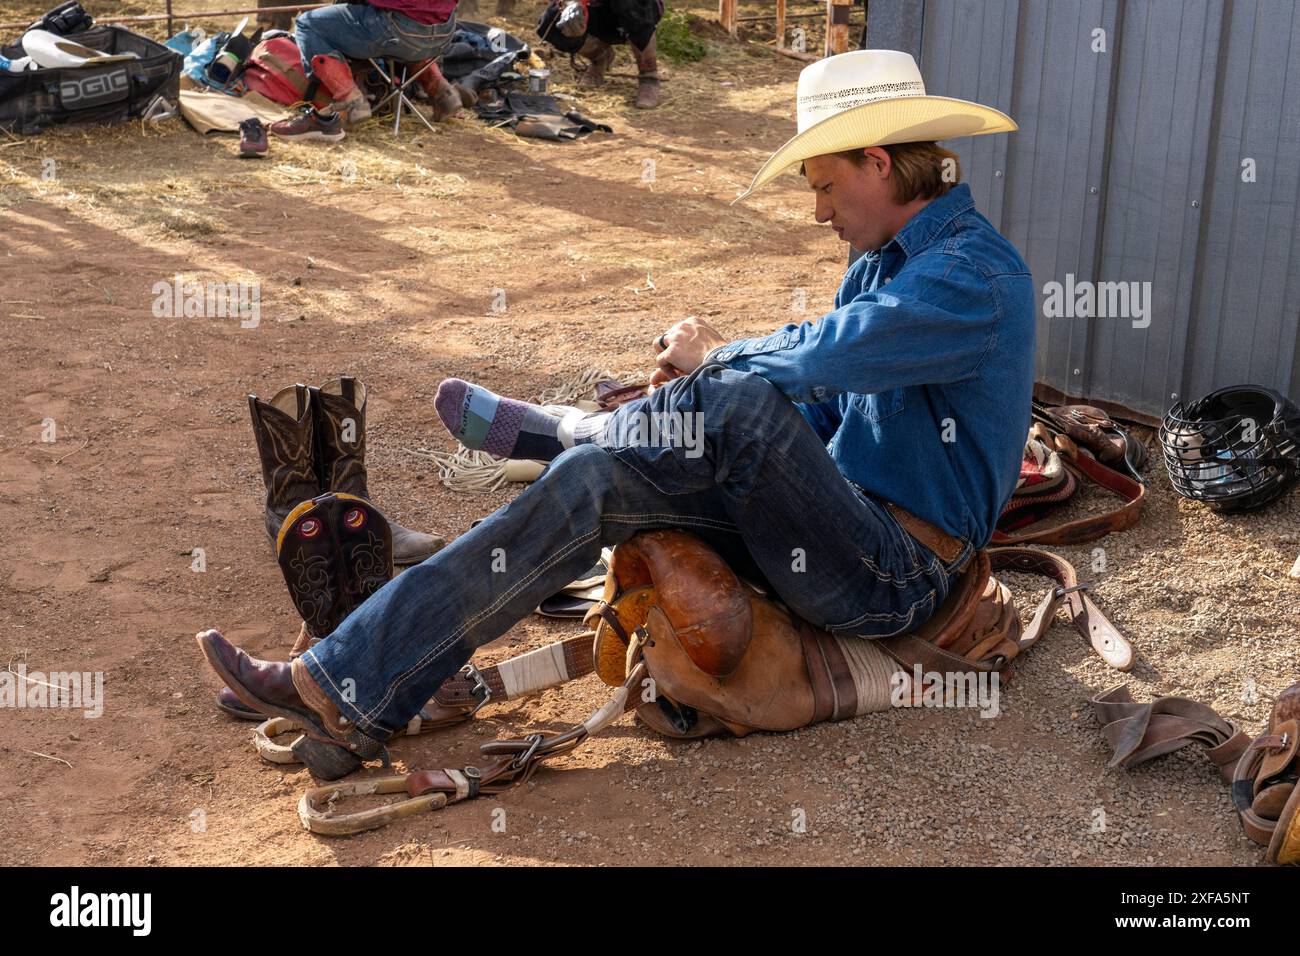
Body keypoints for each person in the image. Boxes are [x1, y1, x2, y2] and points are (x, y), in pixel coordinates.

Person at [198, 50, 1036, 772]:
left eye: (824, 186)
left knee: (731, 400)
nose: (818, 211)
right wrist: (703, 415)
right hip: (836, 529)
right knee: (599, 477)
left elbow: (816, 360)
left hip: (899, 575)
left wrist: (718, 368)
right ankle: (346, 683)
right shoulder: (878, 265)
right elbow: (817, 417)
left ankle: (576, 423)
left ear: (880, 163)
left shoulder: (975, 279)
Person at [271, 0, 470, 141]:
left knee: (308, 23)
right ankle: (443, 94)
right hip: (442, 33)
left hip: (396, 29)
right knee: (415, 21)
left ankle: (351, 101)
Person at [537, 0, 663, 109]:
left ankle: (649, 76)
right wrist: (572, 5)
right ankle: (599, 58)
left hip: (636, 9)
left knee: (628, 4)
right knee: (550, 23)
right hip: (595, 10)